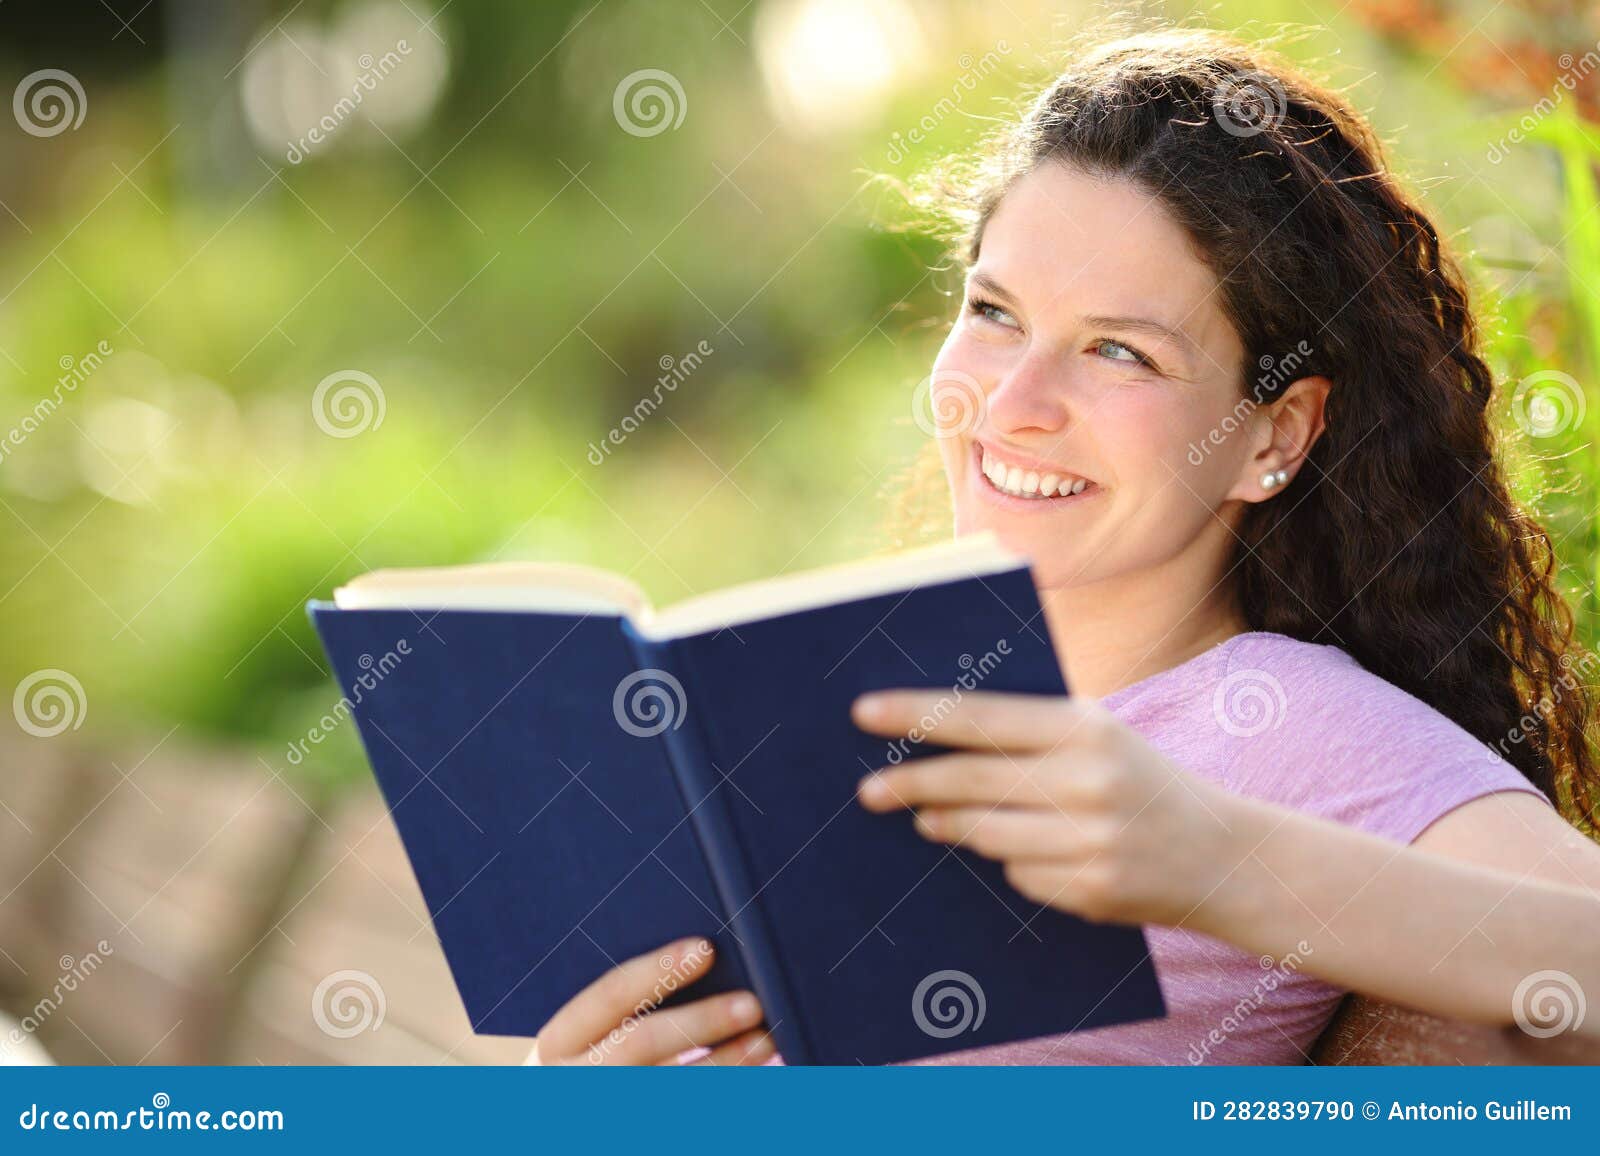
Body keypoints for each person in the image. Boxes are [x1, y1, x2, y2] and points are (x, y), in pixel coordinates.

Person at [530, 28, 1600, 1065]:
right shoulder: (838, 692)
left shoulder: (1280, 723)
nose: (1016, 401)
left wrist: (1210, 857)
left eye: (1116, 350)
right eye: (993, 312)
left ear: (1269, 434)